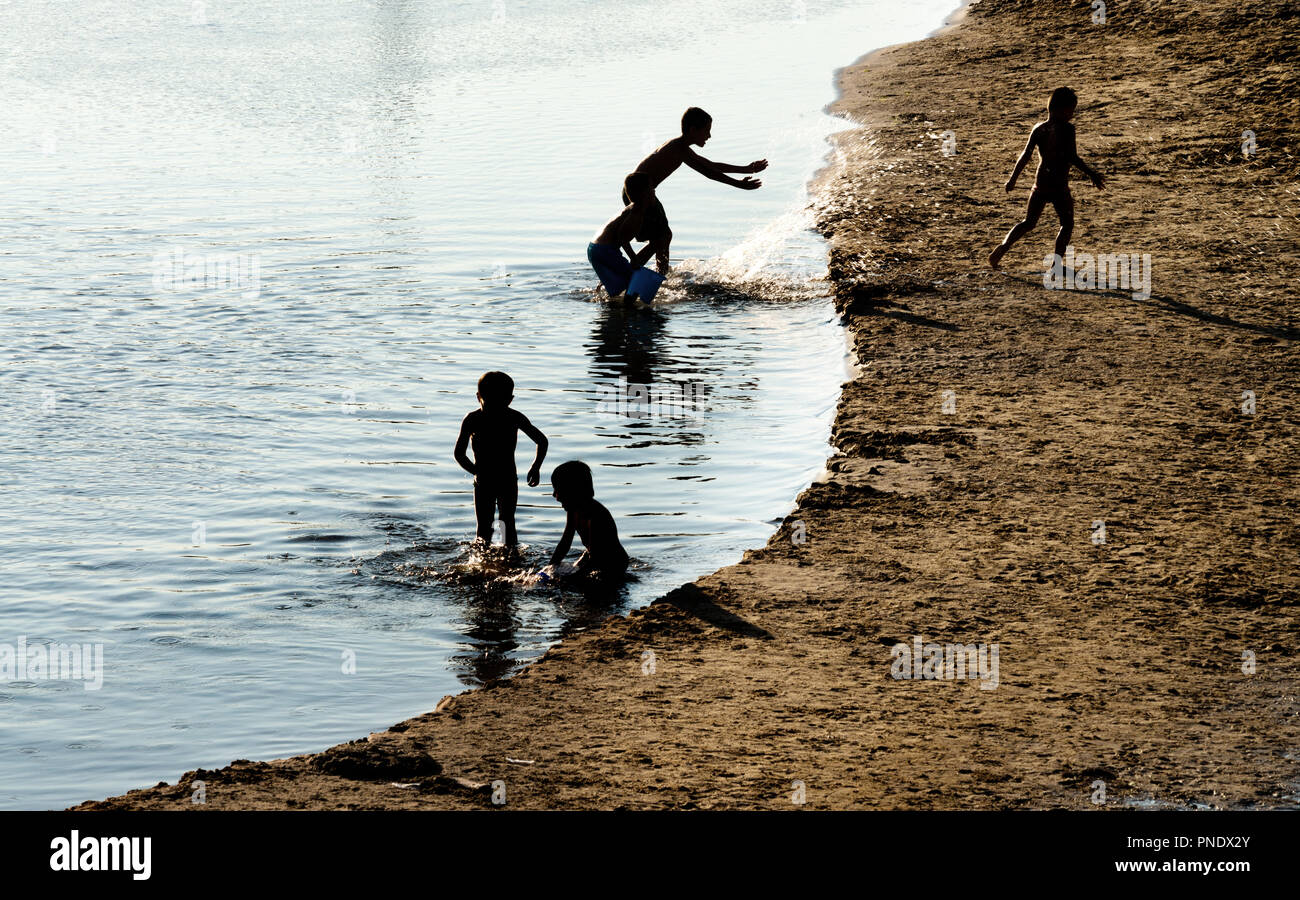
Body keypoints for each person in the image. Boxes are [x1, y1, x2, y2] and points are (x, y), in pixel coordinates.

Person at [625, 107, 767, 272]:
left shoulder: (681, 147)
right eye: (706, 131)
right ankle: (632, 271)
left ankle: (659, 273)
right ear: (693, 130)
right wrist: (740, 183)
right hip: (638, 192)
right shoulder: (678, 148)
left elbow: (710, 167)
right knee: (662, 237)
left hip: (645, 191)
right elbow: (710, 171)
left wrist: (746, 169)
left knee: (663, 236)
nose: (709, 136)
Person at [988, 87, 1105, 270]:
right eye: (1071, 110)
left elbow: (1025, 155)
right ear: (1061, 109)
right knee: (1066, 225)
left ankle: (1002, 249)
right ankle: (1056, 265)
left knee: (1028, 222)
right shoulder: (1067, 129)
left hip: (1041, 183)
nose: (1072, 115)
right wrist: (1092, 174)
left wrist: (1013, 179)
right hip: (1059, 185)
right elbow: (1072, 157)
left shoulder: (1039, 128)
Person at [453, 371, 548, 549]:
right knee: (488, 526)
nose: (495, 408)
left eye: (499, 402)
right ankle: (496, 559)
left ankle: (506, 557)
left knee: (505, 523)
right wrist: (476, 471)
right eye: (490, 402)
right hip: (488, 481)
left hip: (503, 480)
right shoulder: (476, 419)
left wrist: (536, 467)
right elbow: (459, 453)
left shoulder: (509, 418)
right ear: (478, 397)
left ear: (509, 400)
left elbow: (542, 441)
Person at [546, 460, 629, 585]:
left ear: (572, 491)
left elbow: (596, 558)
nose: (554, 495)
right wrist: (549, 568)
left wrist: (570, 580)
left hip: (615, 563)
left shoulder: (596, 516)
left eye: (557, 489)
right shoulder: (573, 511)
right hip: (593, 555)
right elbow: (565, 543)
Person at [588, 172, 657, 299]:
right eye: (652, 188)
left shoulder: (633, 208)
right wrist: (634, 258)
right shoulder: (636, 212)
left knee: (622, 278)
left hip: (595, 248)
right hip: (604, 250)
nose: (654, 191)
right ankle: (627, 309)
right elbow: (623, 238)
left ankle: (607, 289)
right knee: (633, 280)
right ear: (644, 194)